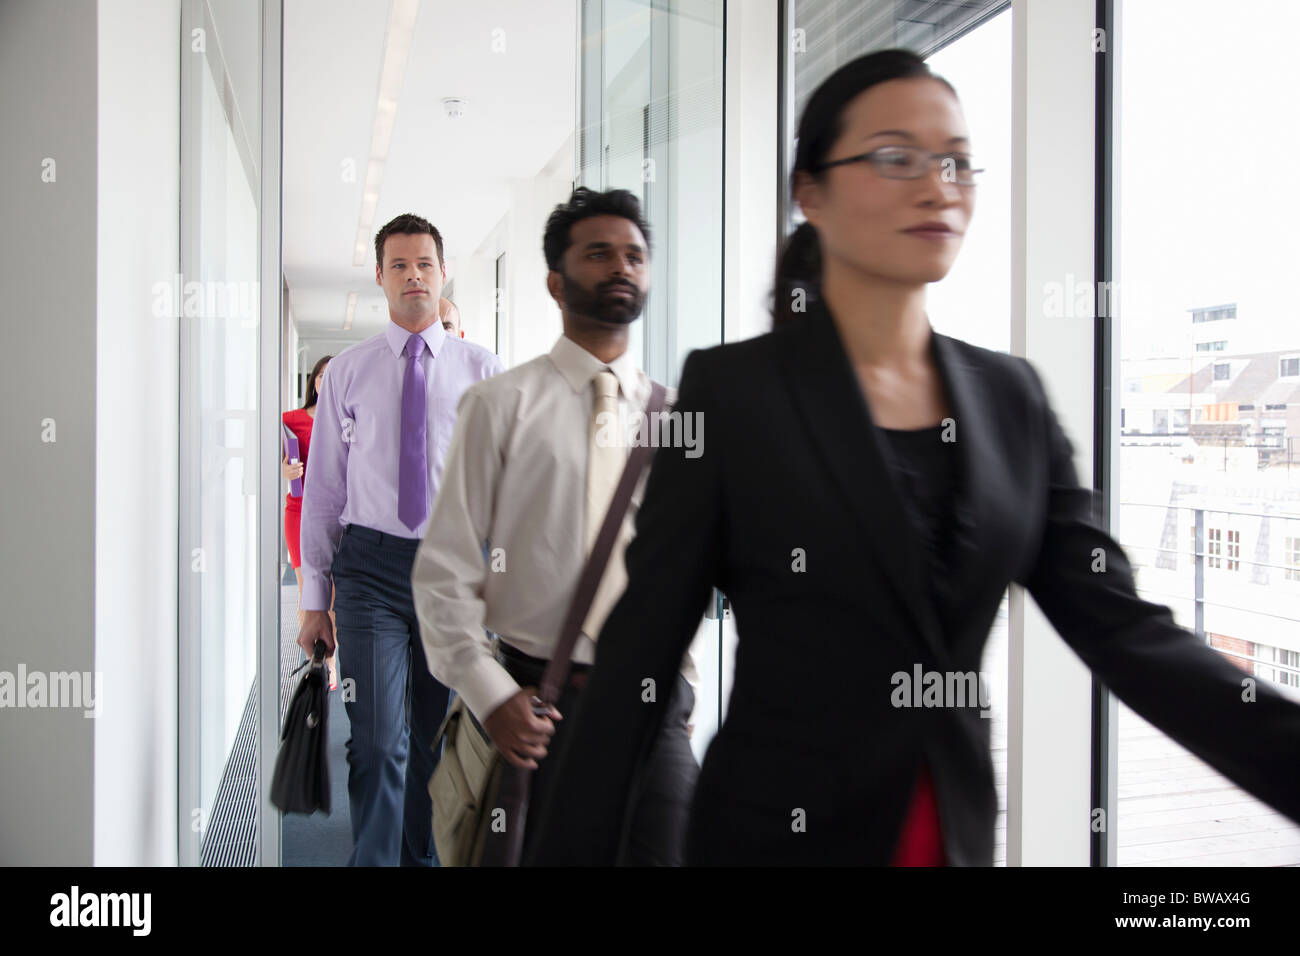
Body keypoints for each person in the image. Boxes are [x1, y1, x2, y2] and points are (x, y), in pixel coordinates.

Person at [525, 49, 1300, 866]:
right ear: (809, 192)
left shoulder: (1012, 400)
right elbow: (633, 671)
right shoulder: (733, 393)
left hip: (950, 837)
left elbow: (1127, 634)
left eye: (958, 163)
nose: (939, 187)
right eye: (896, 158)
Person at [412, 187, 699, 865]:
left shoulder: (683, 417)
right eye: (599, 254)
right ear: (555, 280)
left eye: (635, 255)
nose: (622, 267)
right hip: (537, 704)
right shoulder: (498, 405)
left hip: (653, 707)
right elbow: (443, 570)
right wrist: (490, 696)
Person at [297, 212, 504, 866]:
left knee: (432, 743)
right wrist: (312, 598)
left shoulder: (481, 367)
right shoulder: (350, 373)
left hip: (453, 572)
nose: (413, 274)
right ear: (382, 277)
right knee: (378, 740)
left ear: (442, 275)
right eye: (399, 265)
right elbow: (326, 489)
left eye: (425, 264)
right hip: (369, 572)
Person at [282, 355, 337, 687]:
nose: (325, 380)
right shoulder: (291, 418)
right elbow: (277, 462)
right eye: (320, 375)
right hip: (299, 512)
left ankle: (330, 657)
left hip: (336, 514)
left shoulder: (348, 417)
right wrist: (286, 471)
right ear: (313, 382)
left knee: (332, 592)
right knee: (308, 591)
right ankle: (314, 664)